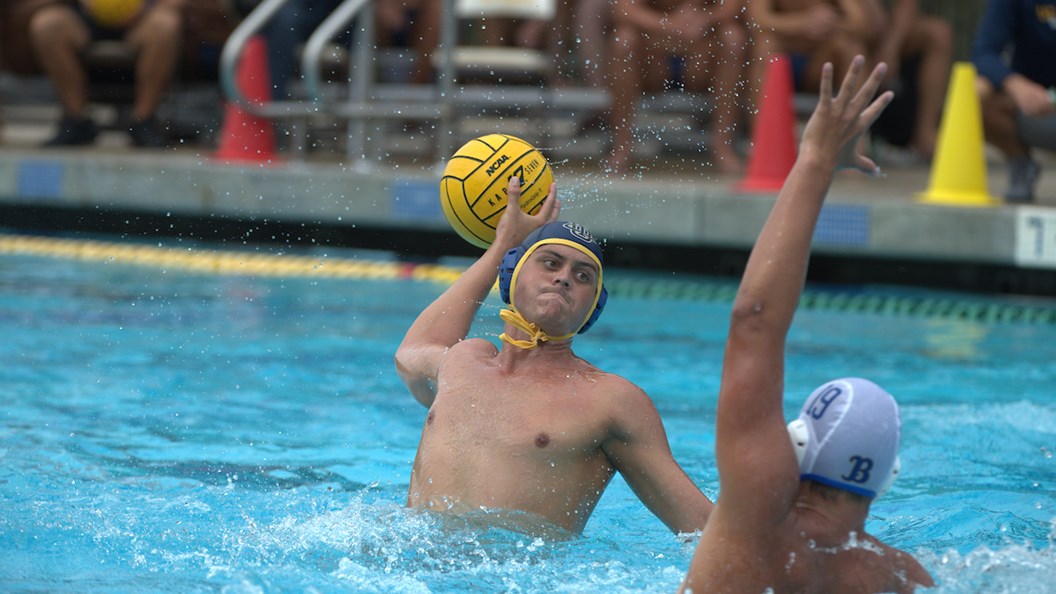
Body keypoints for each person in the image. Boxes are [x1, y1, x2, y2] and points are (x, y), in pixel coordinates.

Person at [679, 56, 935, 593]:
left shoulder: (757, 518)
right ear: (886, 479)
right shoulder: (902, 576)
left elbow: (754, 321)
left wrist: (816, 159)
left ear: (799, 444)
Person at [394, 179, 714, 537]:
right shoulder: (463, 363)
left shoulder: (608, 401)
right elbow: (411, 352)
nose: (563, 278)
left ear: (594, 308)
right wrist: (502, 247)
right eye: (550, 263)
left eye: (582, 276)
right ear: (511, 272)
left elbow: (704, 528)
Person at [606, 0, 748, 175]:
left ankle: (723, 145)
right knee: (623, 40)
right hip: (654, 60)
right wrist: (668, 24)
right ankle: (622, 145)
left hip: (700, 58)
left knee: (733, 38)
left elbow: (733, 8)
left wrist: (704, 19)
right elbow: (623, 10)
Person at [28, 0, 183, 148]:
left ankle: (143, 120)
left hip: (142, 19)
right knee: (47, 24)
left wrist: (146, 6)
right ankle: (77, 120)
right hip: (83, 18)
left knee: (165, 23)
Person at [971, 0, 1056, 203]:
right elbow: (983, 52)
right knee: (976, 90)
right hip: (1035, 109)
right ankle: (1021, 164)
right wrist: (1014, 83)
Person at [865, 0, 953, 162]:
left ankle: (925, 136)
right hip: (840, 31)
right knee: (855, 35)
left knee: (938, 33)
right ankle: (856, 140)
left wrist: (890, 48)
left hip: (883, 33)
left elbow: (907, 4)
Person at [746, 0, 870, 97]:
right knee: (766, 44)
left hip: (820, 61)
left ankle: (857, 119)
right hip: (784, 56)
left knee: (852, 47)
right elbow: (757, 20)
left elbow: (860, 23)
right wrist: (803, 22)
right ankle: (763, 121)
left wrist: (828, 22)